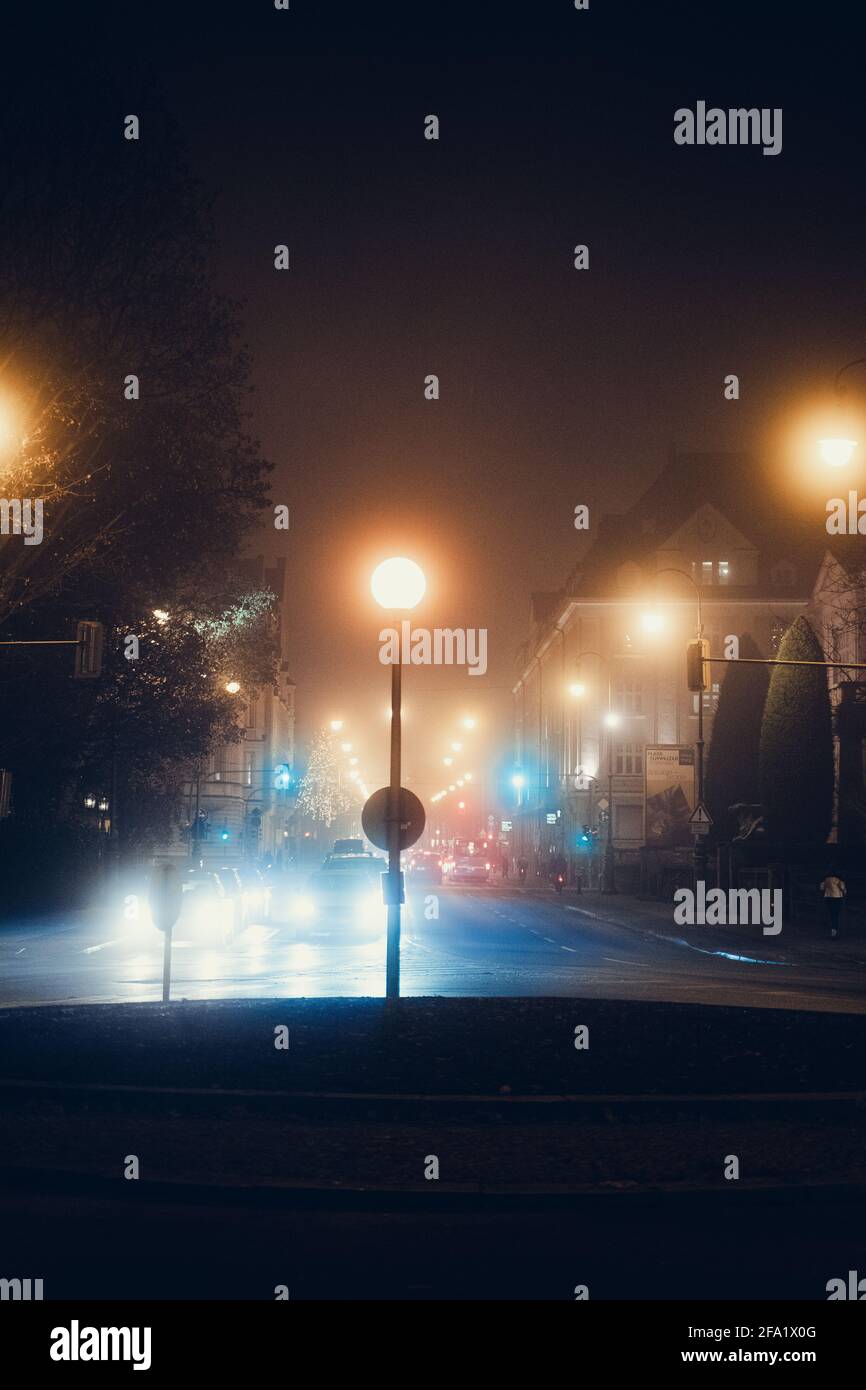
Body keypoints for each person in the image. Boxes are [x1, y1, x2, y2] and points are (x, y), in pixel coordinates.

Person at [819, 869, 847, 939]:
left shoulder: (826, 879)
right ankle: (834, 929)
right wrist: (845, 893)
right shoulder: (838, 880)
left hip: (828, 897)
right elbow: (843, 888)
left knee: (831, 913)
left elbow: (821, 888)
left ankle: (833, 929)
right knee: (836, 914)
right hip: (837, 898)